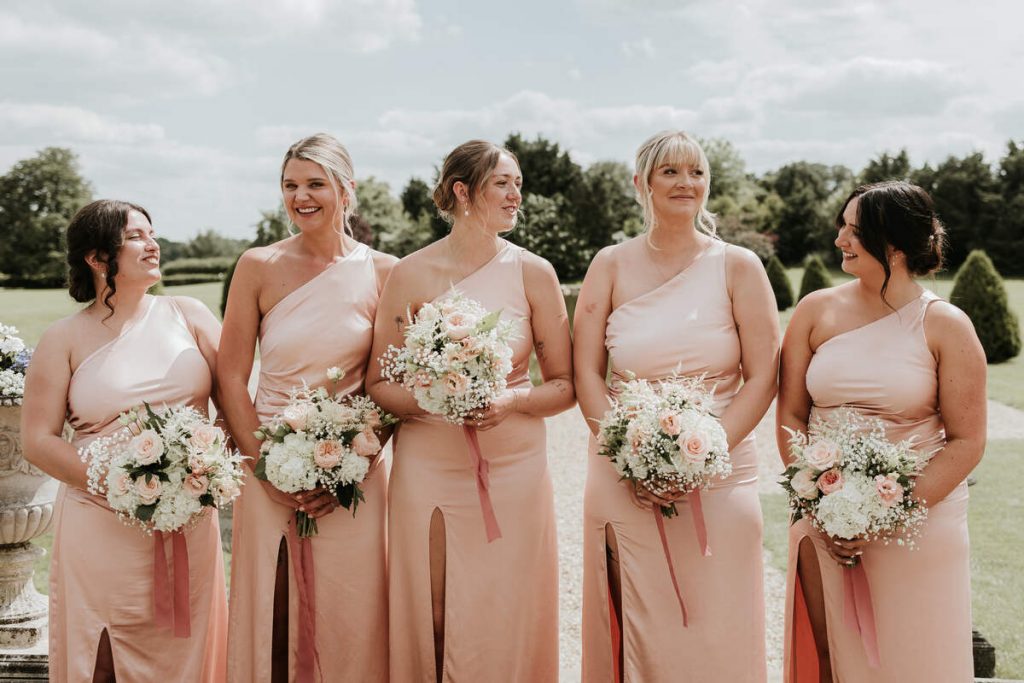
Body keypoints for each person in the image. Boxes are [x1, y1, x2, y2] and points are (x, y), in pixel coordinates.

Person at [573, 130, 779, 682]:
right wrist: (625, 453)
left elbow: (763, 376)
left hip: (722, 471)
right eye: (670, 172)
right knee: (634, 614)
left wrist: (705, 453)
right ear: (641, 183)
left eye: (696, 172)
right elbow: (587, 372)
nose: (686, 182)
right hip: (621, 468)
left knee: (718, 619)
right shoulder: (610, 265)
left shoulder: (739, 266)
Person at [366, 140, 574, 682]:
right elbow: (380, 384)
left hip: (515, 467)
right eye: (503, 183)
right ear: (463, 191)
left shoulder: (535, 273)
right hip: (430, 465)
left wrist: (511, 399)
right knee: (434, 607)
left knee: (507, 606)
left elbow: (565, 385)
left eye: (518, 184)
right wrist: (438, 397)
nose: (516, 195)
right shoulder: (409, 275)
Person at [777, 180, 986, 682]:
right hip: (822, 516)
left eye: (853, 231)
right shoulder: (814, 310)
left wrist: (887, 514)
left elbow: (967, 441)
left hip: (919, 523)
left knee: (916, 657)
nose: (840, 240)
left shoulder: (945, 325)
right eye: (841, 228)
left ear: (893, 245)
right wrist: (820, 502)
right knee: (830, 658)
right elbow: (790, 415)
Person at [21, 199, 227, 682]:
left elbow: (236, 406)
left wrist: (200, 470)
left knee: (189, 647)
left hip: (189, 520)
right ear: (97, 257)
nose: (152, 244)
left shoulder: (189, 314)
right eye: (136, 236)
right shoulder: (63, 338)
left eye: (152, 234)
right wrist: (118, 486)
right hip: (100, 523)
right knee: (105, 646)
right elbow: (38, 439)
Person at [218, 133, 396, 682]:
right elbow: (229, 372)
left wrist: (351, 464)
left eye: (315, 183)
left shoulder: (386, 271)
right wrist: (263, 467)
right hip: (267, 462)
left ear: (347, 189)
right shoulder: (258, 265)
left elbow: (386, 382)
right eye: (290, 185)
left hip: (355, 474)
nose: (302, 197)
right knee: (275, 604)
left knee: (354, 608)